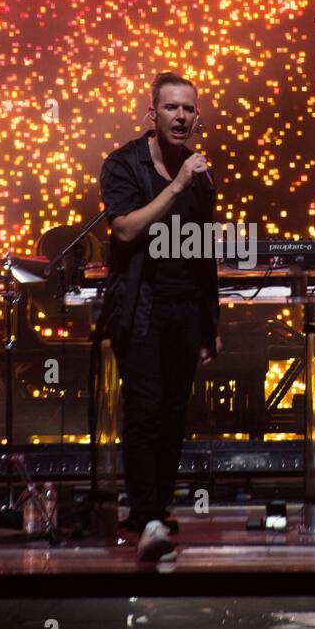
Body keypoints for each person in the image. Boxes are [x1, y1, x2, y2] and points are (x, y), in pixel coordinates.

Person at [93, 72, 222, 561]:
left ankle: (154, 508)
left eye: (189, 109)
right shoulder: (123, 165)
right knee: (143, 410)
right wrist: (176, 187)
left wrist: (211, 322)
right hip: (140, 308)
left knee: (173, 414)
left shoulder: (200, 174)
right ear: (153, 114)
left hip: (185, 309)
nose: (182, 117)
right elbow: (125, 231)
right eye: (171, 108)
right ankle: (146, 515)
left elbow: (203, 251)